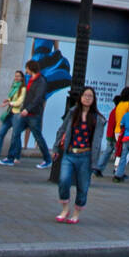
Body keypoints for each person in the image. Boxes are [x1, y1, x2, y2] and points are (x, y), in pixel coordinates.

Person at [53, 86, 106, 221]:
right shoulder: (72, 113)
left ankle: (76, 213)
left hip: (85, 156)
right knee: (64, 180)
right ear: (80, 97)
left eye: (90, 96)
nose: (87, 98)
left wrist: (95, 161)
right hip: (70, 153)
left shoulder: (97, 119)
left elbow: (97, 142)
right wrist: (55, 148)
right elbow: (62, 130)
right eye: (85, 96)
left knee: (83, 186)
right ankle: (65, 208)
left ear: (93, 100)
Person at [1, 59, 52, 167]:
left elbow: (38, 98)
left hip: (33, 114)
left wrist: (27, 109)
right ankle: (11, 158)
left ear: (30, 68)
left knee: (37, 136)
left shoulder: (40, 81)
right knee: (16, 133)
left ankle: (47, 159)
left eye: (27, 68)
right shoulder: (31, 80)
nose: (26, 70)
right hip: (26, 113)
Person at [95, 86, 129, 178]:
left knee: (109, 151)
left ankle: (99, 168)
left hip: (112, 134)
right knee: (119, 153)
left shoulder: (115, 110)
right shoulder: (124, 108)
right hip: (118, 134)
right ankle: (117, 170)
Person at [0, 69, 27, 162]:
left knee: (16, 135)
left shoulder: (23, 88)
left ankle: (17, 156)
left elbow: (19, 102)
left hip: (17, 113)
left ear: (22, 78)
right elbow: (11, 97)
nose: (16, 78)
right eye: (15, 76)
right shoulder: (14, 86)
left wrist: (9, 103)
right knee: (1, 133)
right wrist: (7, 100)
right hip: (9, 113)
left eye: (18, 76)